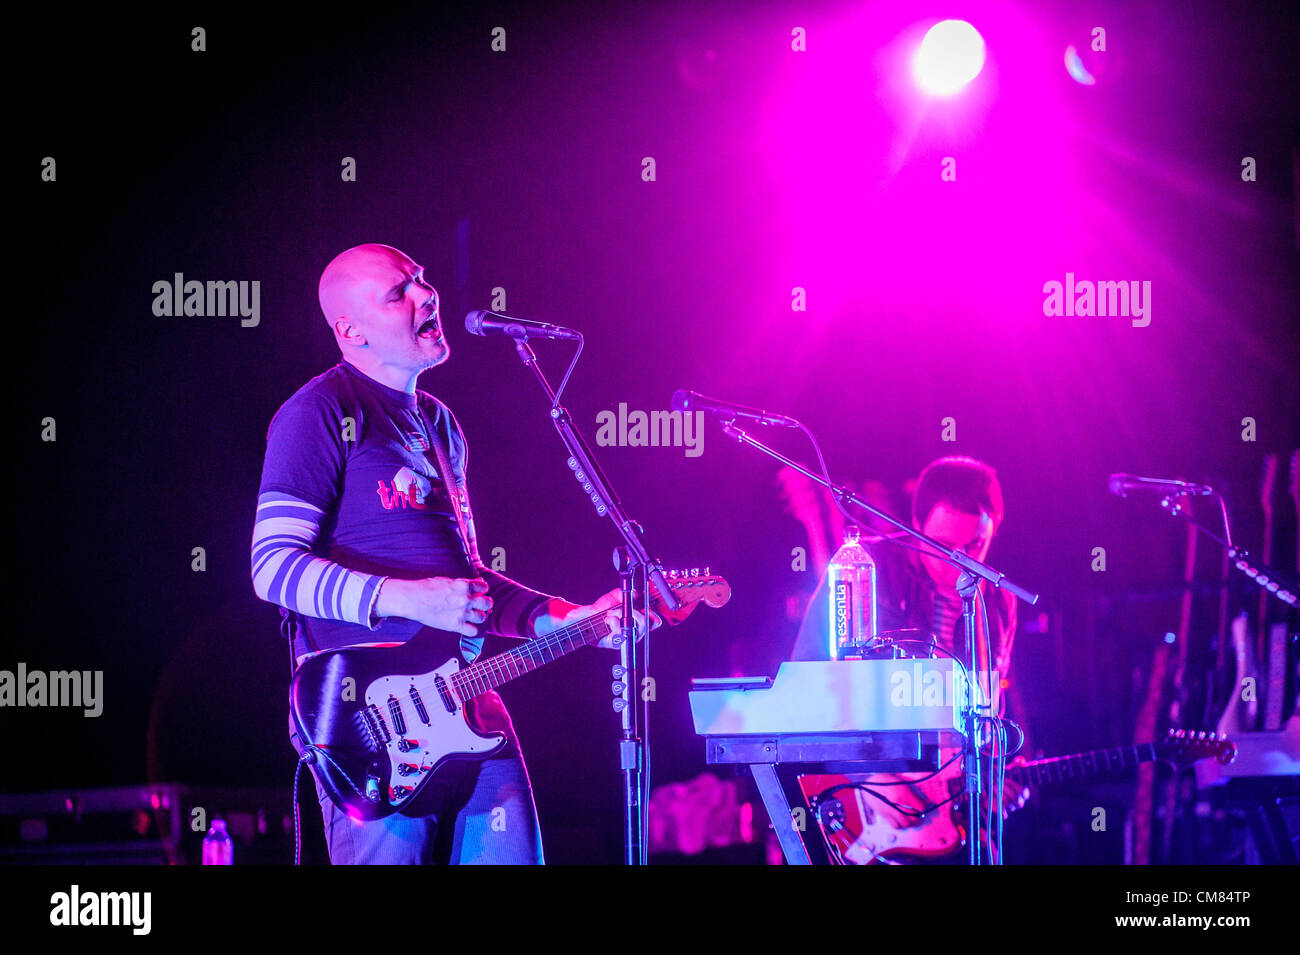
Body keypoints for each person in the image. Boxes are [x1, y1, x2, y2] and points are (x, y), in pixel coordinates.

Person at [251, 242, 655, 864]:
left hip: (471, 707)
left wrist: (575, 620)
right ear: (350, 330)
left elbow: (470, 588)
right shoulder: (318, 413)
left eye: (422, 279)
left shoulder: (439, 424)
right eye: (399, 292)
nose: (426, 295)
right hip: (372, 726)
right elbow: (272, 567)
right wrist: (411, 598)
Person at [779, 456, 1029, 863]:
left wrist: (994, 771)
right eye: (945, 546)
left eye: (975, 546)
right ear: (916, 525)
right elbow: (806, 696)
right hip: (864, 807)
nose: (959, 561)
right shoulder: (862, 569)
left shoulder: (998, 602)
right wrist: (870, 777)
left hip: (949, 818)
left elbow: (985, 710)